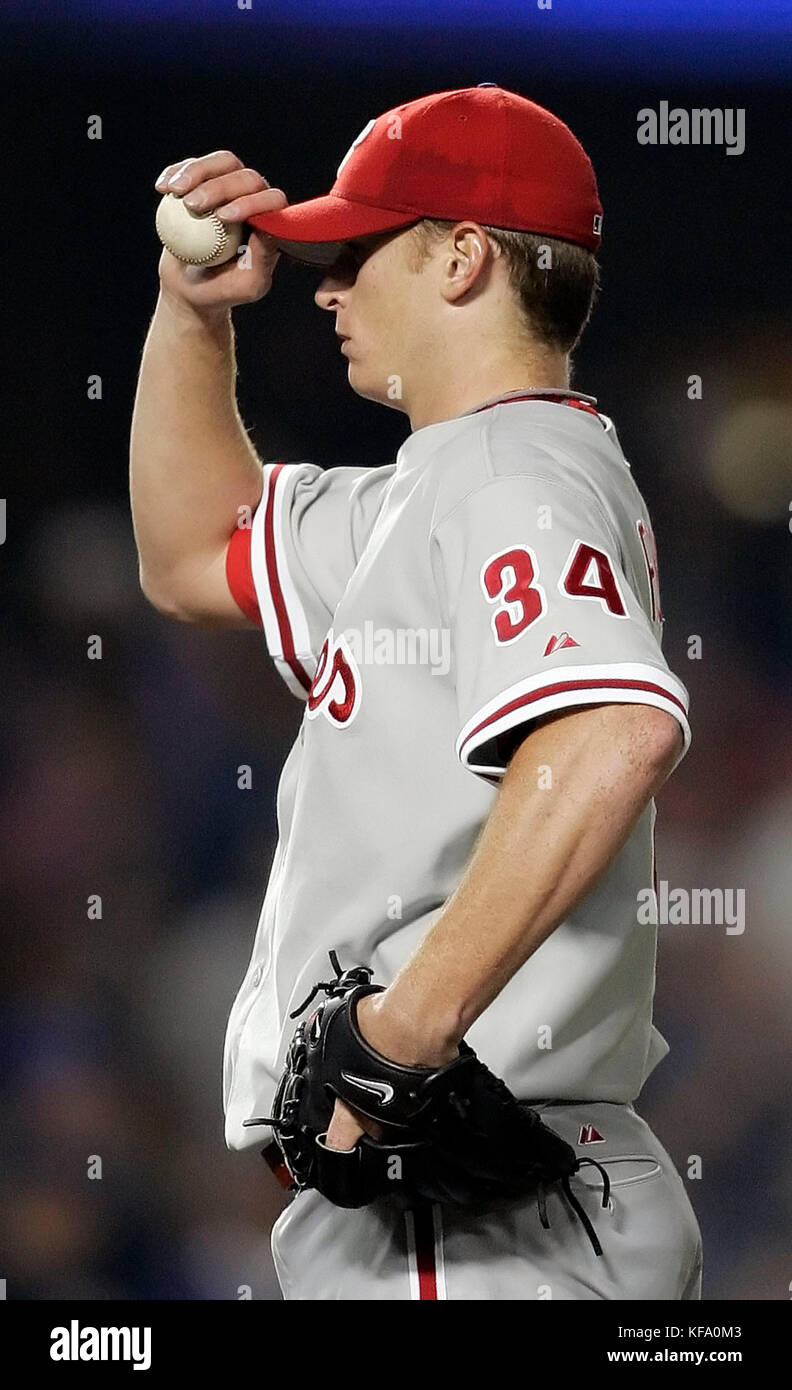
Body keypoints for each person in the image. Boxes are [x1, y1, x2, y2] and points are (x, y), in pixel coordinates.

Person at [130, 85, 703, 1300]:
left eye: (357, 253)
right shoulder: (445, 486)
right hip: (477, 1192)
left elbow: (614, 731)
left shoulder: (507, 468)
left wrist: (406, 1030)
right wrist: (192, 320)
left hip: (480, 1202)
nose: (328, 289)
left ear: (460, 257)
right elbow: (190, 556)